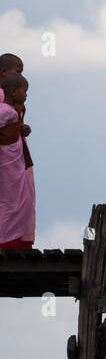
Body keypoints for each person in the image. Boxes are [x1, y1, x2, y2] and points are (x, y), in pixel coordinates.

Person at [0, 73, 33, 249]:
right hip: (7, 165)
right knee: (11, 204)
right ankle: (6, 242)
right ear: (13, 92)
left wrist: (21, 130)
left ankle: (14, 239)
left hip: (14, 164)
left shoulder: (12, 112)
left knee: (21, 201)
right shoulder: (5, 110)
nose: (26, 95)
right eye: (24, 91)